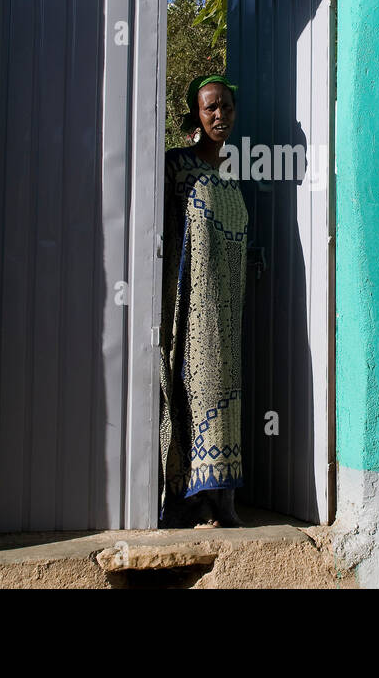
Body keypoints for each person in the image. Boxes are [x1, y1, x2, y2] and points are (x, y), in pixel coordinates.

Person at [158, 74, 248, 528]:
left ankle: (221, 495)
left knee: (228, 397)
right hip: (190, 310)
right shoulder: (177, 166)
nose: (219, 115)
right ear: (196, 113)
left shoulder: (230, 180)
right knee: (197, 392)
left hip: (230, 313)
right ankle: (191, 495)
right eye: (210, 107)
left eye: (226, 107)